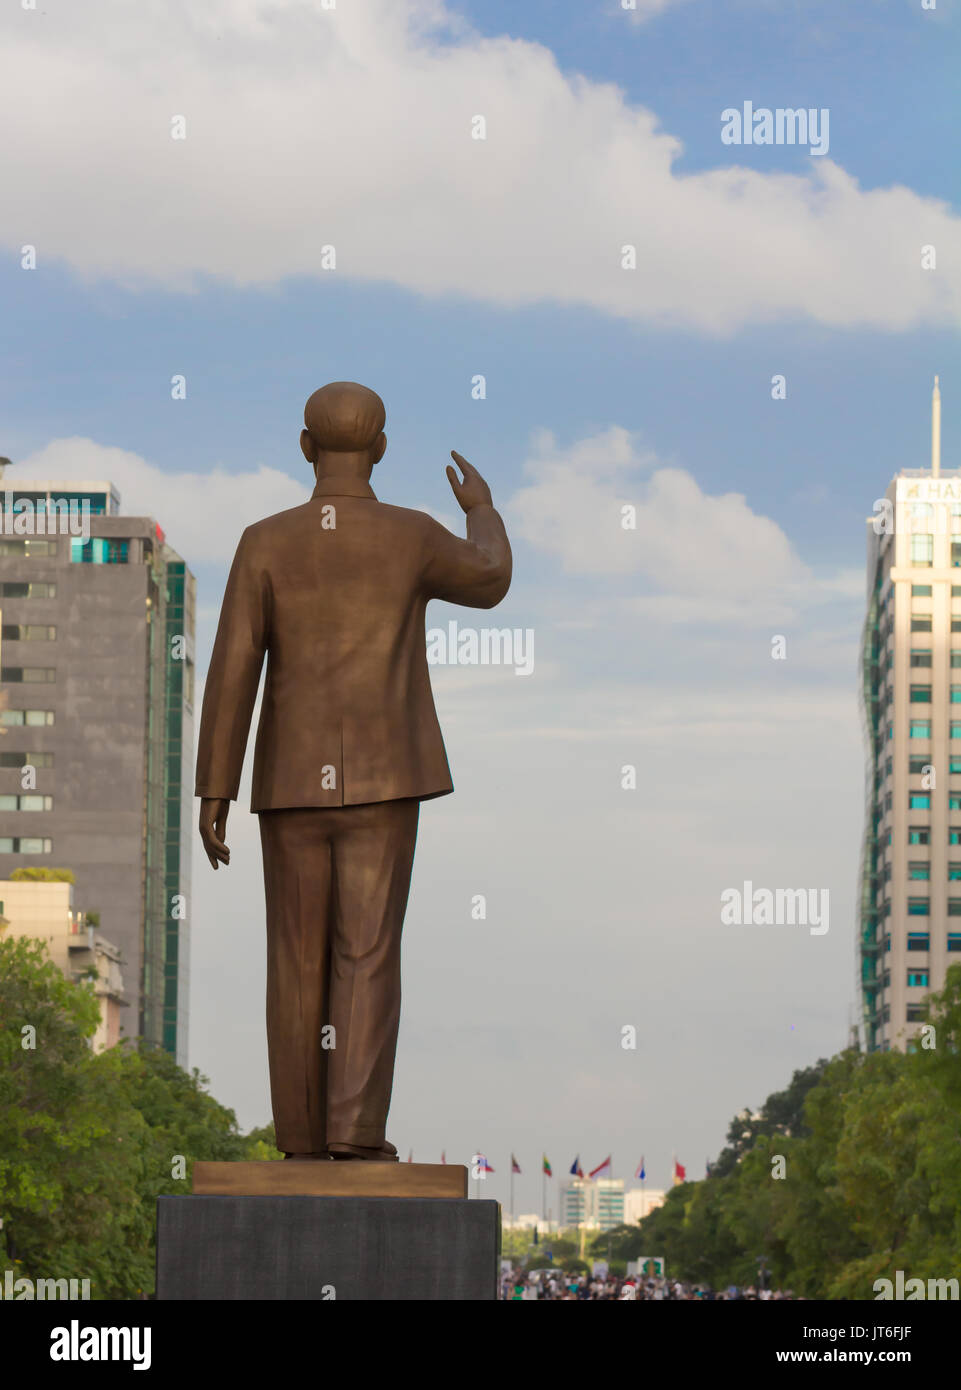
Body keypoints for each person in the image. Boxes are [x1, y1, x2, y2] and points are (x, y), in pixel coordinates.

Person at [196, 382, 512, 1159]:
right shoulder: (412, 535)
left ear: (305, 447)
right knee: (366, 954)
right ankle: (356, 1136)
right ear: (380, 449)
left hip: (288, 784)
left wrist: (216, 786)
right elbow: (490, 576)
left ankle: (300, 1144)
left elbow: (232, 667)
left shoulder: (264, 541)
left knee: (294, 960)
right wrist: (481, 508)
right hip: (385, 779)